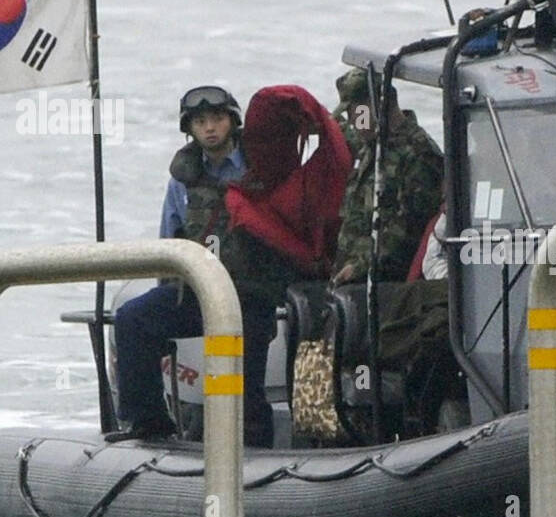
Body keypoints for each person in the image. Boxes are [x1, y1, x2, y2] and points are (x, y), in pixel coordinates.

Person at [111, 85, 349, 448]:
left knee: (245, 389)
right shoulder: (182, 180)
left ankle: (256, 450)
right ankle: (149, 424)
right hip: (197, 294)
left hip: (250, 297)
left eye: (217, 119)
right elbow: (169, 239)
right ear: (190, 129)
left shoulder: (264, 165)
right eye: (201, 121)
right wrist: (169, 287)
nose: (210, 128)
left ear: (233, 121)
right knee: (132, 319)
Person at [330, 68, 444, 285]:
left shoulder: (419, 155)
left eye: (355, 113)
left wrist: (360, 267)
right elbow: (346, 132)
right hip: (350, 281)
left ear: (376, 106)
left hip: (384, 287)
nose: (353, 121)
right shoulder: (373, 145)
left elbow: (410, 231)